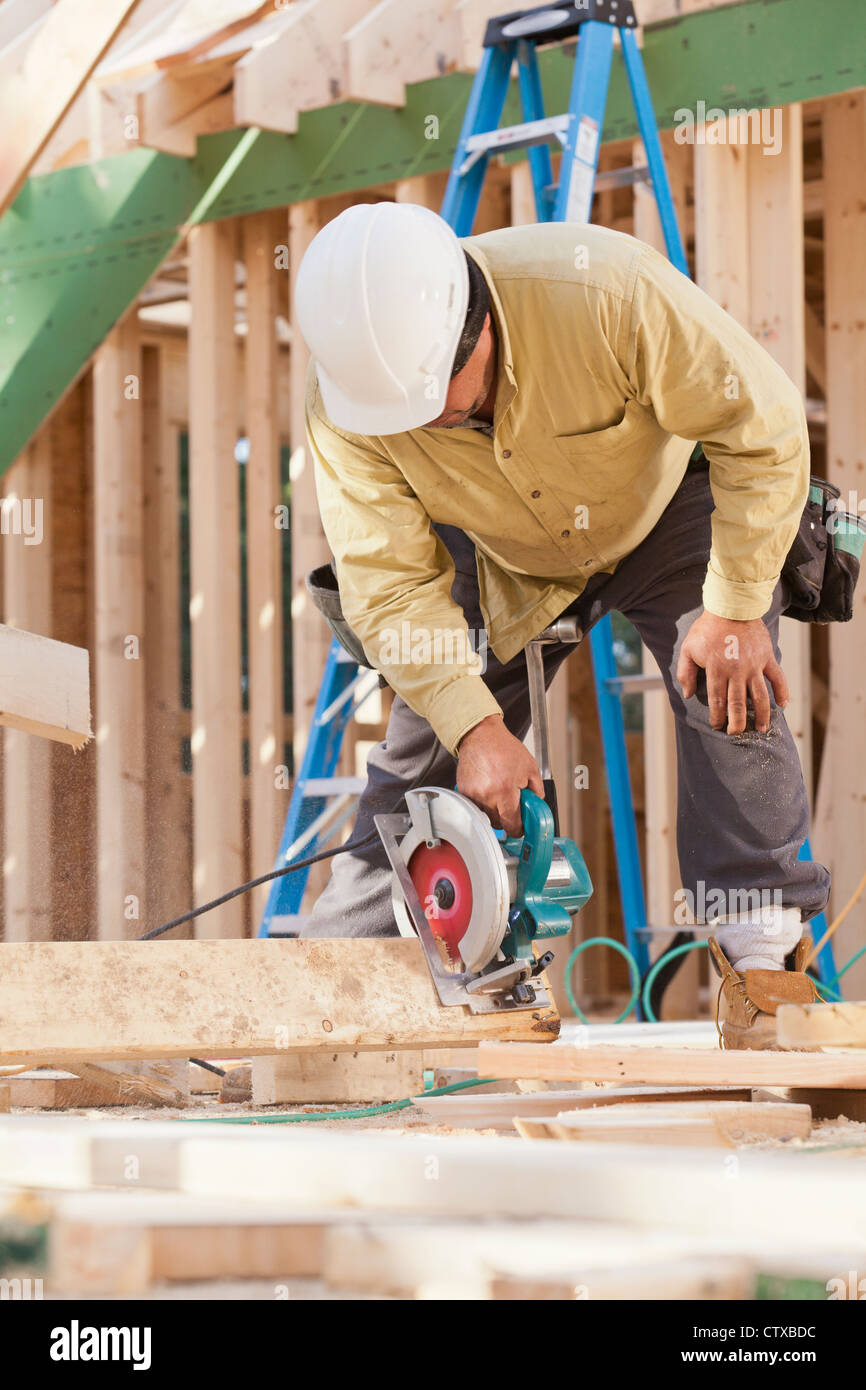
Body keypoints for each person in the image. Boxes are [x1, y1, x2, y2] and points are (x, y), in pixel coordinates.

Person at [293, 200, 829, 1049]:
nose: (421, 424)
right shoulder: (349, 401)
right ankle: (331, 998)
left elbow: (759, 428)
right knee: (418, 753)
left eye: (435, 403)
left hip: (661, 512)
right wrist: (475, 728)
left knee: (729, 688)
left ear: (475, 330)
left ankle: (765, 965)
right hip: (493, 548)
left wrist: (734, 608)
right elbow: (391, 588)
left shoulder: (605, 290)